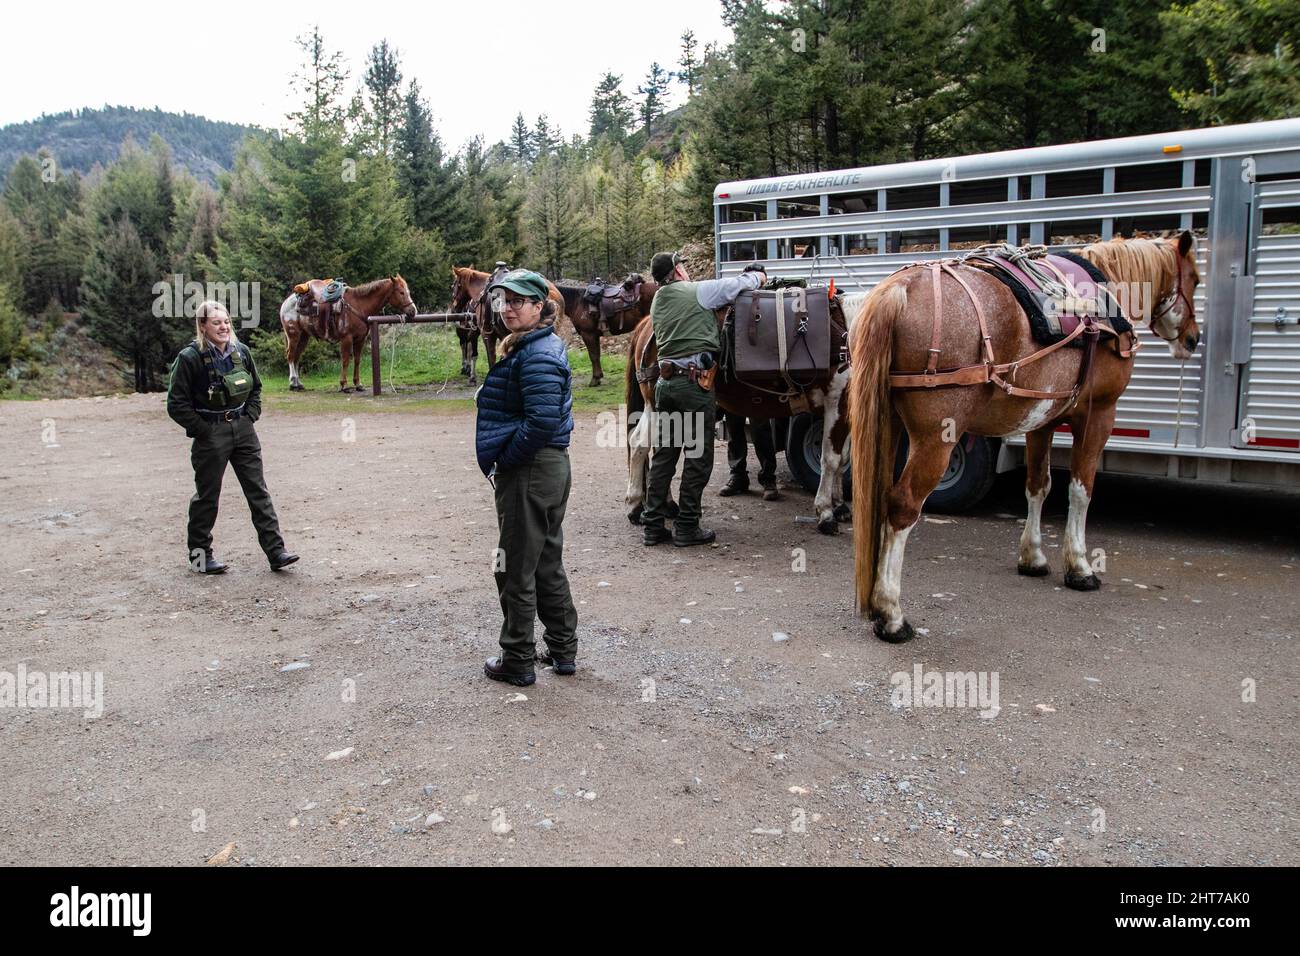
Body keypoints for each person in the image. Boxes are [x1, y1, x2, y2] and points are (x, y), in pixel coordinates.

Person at [474, 269, 577, 687]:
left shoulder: (536, 354)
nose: (508, 308)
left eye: (518, 301)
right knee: (546, 561)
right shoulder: (534, 346)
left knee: (514, 566)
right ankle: (563, 649)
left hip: (532, 468)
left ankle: (517, 658)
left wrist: (508, 462)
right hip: (547, 467)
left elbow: (540, 421)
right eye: (503, 301)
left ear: (539, 306)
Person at [640, 252, 765, 546]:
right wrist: (758, 275)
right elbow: (736, 285)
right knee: (697, 458)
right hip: (694, 387)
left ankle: (653, 526)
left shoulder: (657, 300)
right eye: (681, 265)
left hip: (665, 385)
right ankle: (686, 527)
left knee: (664, 458)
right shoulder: (698, 292)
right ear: (677, 271)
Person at [166, 301, 298, 574]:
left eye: (226, 321)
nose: (224, 327)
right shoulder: (190, 358)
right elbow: (176, 404)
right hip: (211, 434)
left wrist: (250, 416)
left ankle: (277, 552)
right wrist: (204, 430)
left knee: (258, 491)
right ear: (203, 326)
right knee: (207, 496)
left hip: (243, 429)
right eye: (216, 323)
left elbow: (256, 389)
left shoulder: (242, 352)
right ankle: (201, 559)